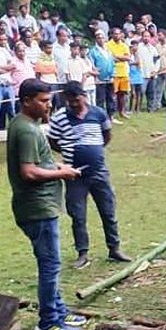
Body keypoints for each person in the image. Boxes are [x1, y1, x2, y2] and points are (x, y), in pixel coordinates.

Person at [8, 79, 86, 330]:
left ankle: (59, 310)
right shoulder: (27, 130)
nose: (48, 105)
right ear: (26, 101)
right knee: (50, 264)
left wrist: (56, 167)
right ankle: (48, 320)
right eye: (42, 100)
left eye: (49, 99)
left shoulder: (27, 125)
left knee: (52, 262)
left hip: (42, 205)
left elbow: (37, 163)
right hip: (37, 208)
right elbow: (28, 172)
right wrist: (61, 174)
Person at [47, 81, 131, 269]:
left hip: (99, 171)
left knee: (108, 211)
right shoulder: (60, 117)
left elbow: (107, 134)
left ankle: (114, 248)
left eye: (77, 100)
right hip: (74, 174)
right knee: (78, 215)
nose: (74, 104)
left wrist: (95, 150)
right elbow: (51, 140)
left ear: (83, 96)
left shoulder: (98, 113)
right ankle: (82, 253)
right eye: (70, 102)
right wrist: (68, 151)